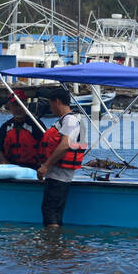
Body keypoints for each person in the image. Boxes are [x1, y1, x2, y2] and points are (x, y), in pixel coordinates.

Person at [36, 85, 88, 228]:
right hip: (56, 175)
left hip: (60, 176)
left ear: (57, 101)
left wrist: (46, 166)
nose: (50, 107)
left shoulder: (70, 120)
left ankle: (53, 246)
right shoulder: (65, 120)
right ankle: (55, 246)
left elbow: (65, 144)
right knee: (52, 212)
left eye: (50, 103)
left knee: (51, 213)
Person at [0, 94, 47, 175]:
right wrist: (4, 163)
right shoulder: (5, 127)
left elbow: (47, 148)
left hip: (31, 166)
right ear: (10, 106)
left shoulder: (36, 125)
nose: (18, 109)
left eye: (20, 105)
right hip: (9, 165)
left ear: (26, 105)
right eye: (15, 105)